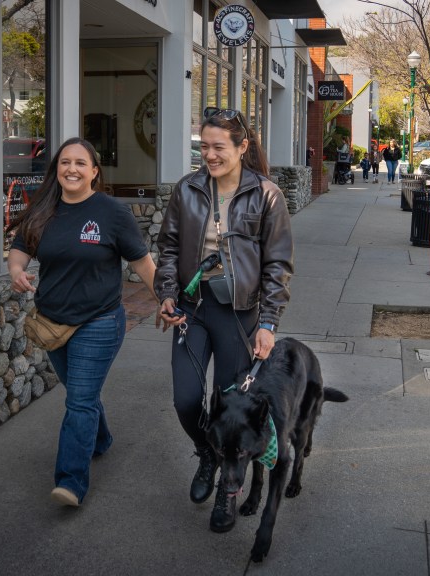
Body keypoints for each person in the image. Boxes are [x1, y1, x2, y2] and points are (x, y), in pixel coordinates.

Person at [154, 108, 293, 532]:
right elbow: (170, 248)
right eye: (204, 146)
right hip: (192, 310)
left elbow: (278, 264)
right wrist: (166, 293)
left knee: (231, 408)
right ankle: (207, 453)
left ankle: (225, 497)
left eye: (219, 147)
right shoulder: (188, 188)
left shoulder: (267, 195)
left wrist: (268, 323)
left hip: (241, 314)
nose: (209, 155)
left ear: (241, 147)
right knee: (186, 399)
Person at [8, 137, 157, 508]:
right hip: (53, 322)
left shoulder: (112, 213)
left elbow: (142, 264)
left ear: (93, 172)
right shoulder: (44, 209)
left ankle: (71, 481)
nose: (71, 169)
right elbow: (21, 246)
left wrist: (168, 300)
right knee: (81, 394)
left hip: (100, 321)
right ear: (56, 169)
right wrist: (15, 269)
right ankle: (101, 439)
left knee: (79, 401)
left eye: (80, 163)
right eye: (64, 162)